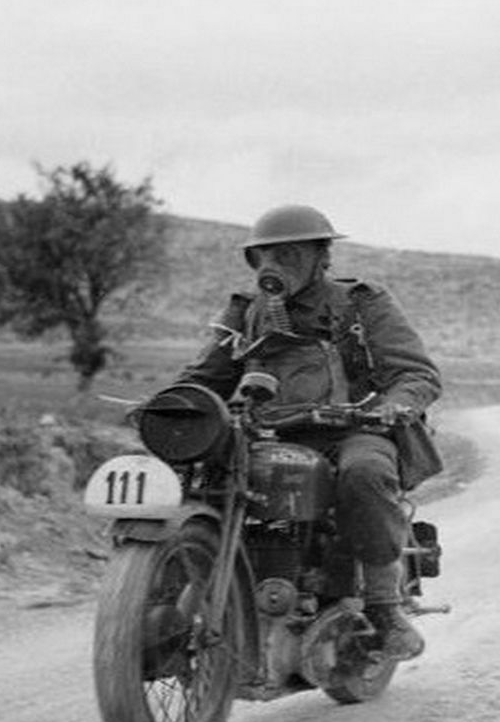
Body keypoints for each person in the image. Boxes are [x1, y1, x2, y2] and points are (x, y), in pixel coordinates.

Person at [174, 204, 442, 660]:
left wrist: (393, 408)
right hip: (263, 433)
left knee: (365, 474)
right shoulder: (244, 314)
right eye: (266, 256)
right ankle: (172, 589)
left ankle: (384, 607)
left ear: (322, 257)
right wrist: (173, 406)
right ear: (254, 262)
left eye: (291, 254)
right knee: (201, 480)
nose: (276, 266)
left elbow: (417, 373)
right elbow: (204, 377)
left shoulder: (361, 303)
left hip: (351, 428)